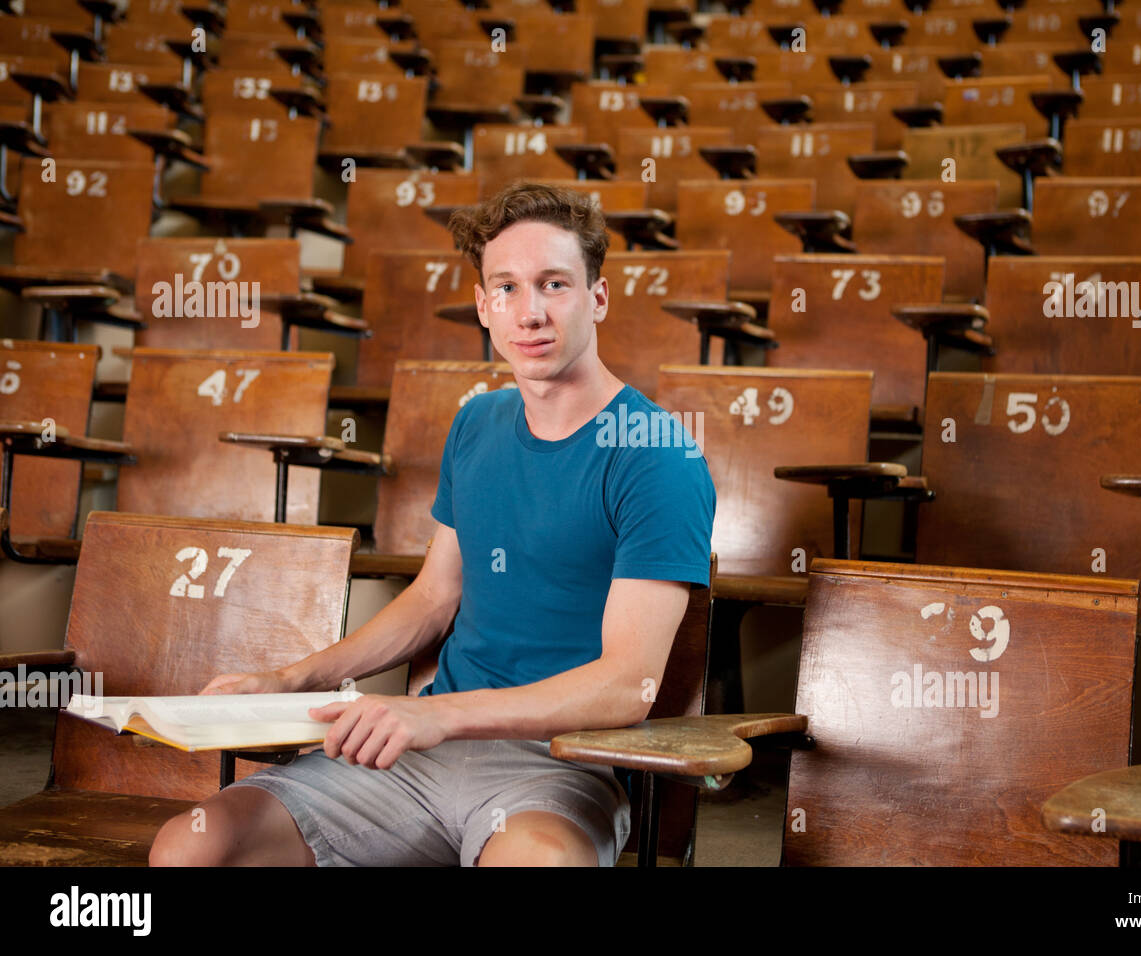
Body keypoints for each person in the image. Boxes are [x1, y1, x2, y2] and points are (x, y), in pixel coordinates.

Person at [148, 182, 716, 867]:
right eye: (505, 287)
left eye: (554, 284)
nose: (529, 312)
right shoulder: (477, 423)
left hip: (560, 762)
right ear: (483, 306)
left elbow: (631, 683)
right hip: (419, 753)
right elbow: (431, 599)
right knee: (191, 849)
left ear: (597, 296)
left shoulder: (657, 454)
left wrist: (432, 714)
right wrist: (292, 678)